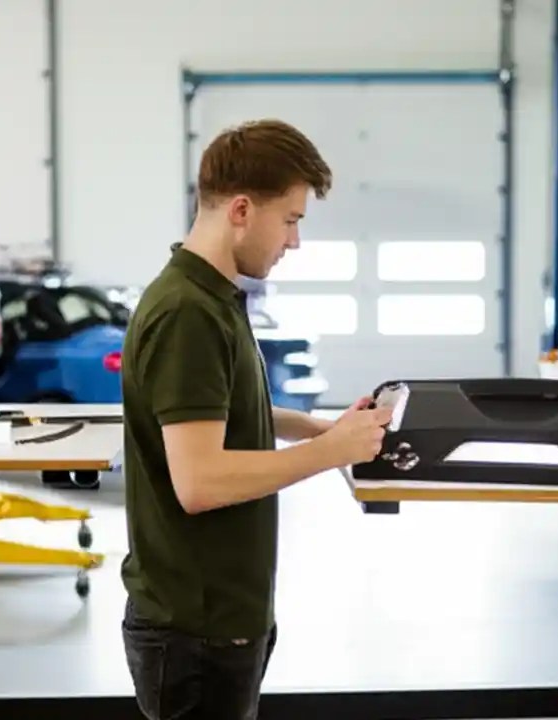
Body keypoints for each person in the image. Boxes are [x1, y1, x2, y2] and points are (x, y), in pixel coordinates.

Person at [118, 118, 394, 719]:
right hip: (196, 627)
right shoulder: (188, 313)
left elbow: (220, 411)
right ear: (242, 209)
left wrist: (321, 430)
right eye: (291, 220)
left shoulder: (209, 296)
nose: (293, 241)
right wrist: (331, 454)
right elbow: (200, 481)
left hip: (215, 616)